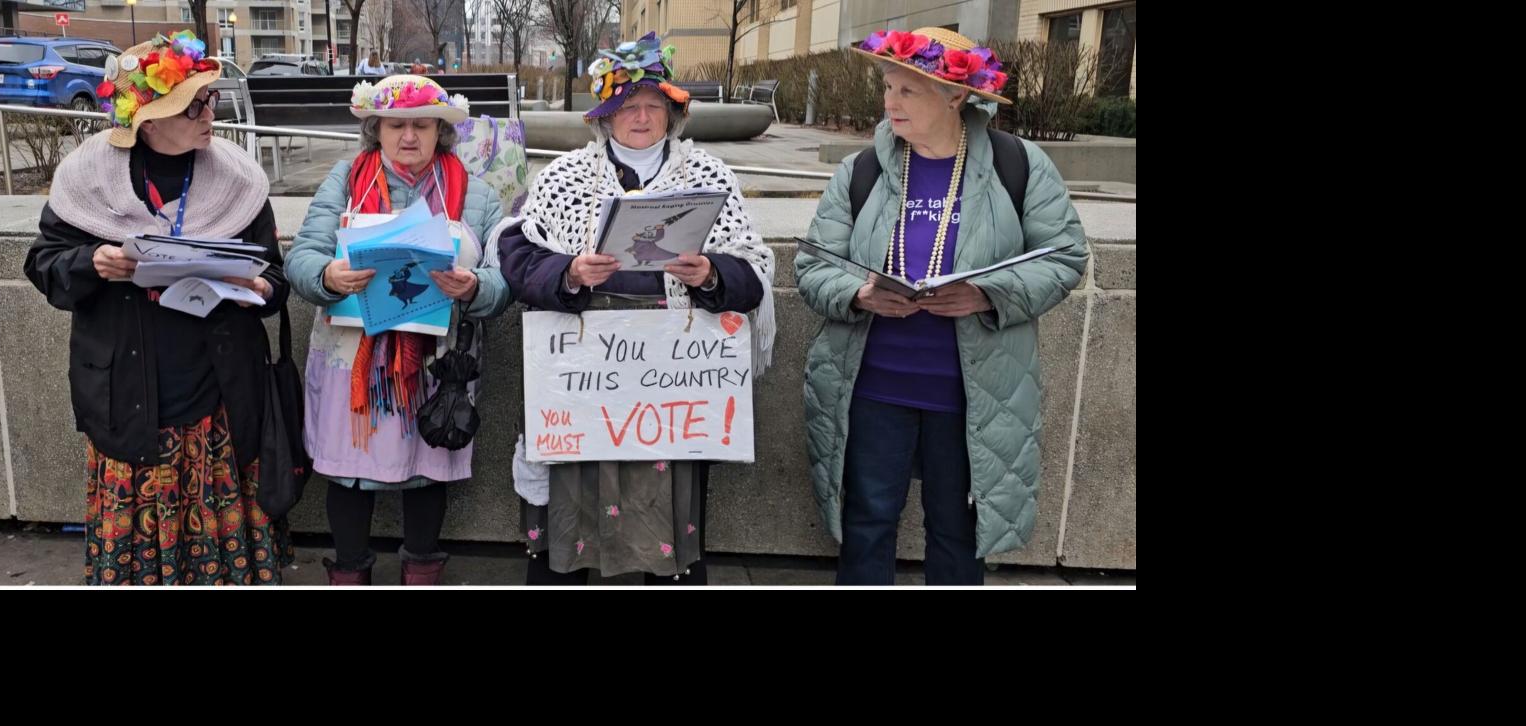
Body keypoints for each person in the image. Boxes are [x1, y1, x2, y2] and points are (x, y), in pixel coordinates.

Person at [797, 27, 1090, 585]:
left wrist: (988, 294)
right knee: (866, 527)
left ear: (956, 96)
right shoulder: (860, 171)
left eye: (908, 90)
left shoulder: (1018, 165)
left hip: (973, 394)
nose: (890, 103)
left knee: (958, 537)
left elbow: (1066, 257)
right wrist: (858, 294)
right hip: (872, 388)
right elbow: (814, 265)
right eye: (888, 87)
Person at [499, 32, 774, 585]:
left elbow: (751, 269)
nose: (642, 117)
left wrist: (713, 274)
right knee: (576, 505)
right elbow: (517, 258)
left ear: (672, 113)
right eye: (628, 106)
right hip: (586, 375)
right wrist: (570, 272)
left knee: (663, 511)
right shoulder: (562, 179)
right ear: (605, 114)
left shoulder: (711, 177)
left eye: (654, 105)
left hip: (669, 376)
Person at [24, 31, 293, 586]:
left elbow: (274, 272)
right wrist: (90, 262)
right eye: (193, 104)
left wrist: (263, 288)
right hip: (128, 393)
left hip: (215, 393)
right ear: (147, 119)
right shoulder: (86, 180)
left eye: (210, 99)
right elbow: (44, 264)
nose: (208, 112)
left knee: (219, 547)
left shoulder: (238, 181)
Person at [283, 75, 513, 585]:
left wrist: (473, 287)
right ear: (376, 129)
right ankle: (349, 570)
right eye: (396, 125)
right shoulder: (345, 181)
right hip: (356, 364)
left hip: (436, 363)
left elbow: (504, 282)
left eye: (421, 125)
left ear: (440, 131)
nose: (409, 136)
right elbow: (301, 259)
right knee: (349, 470)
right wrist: (328, 276)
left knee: (428, 464)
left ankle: (422, 570)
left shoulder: (476, 193)